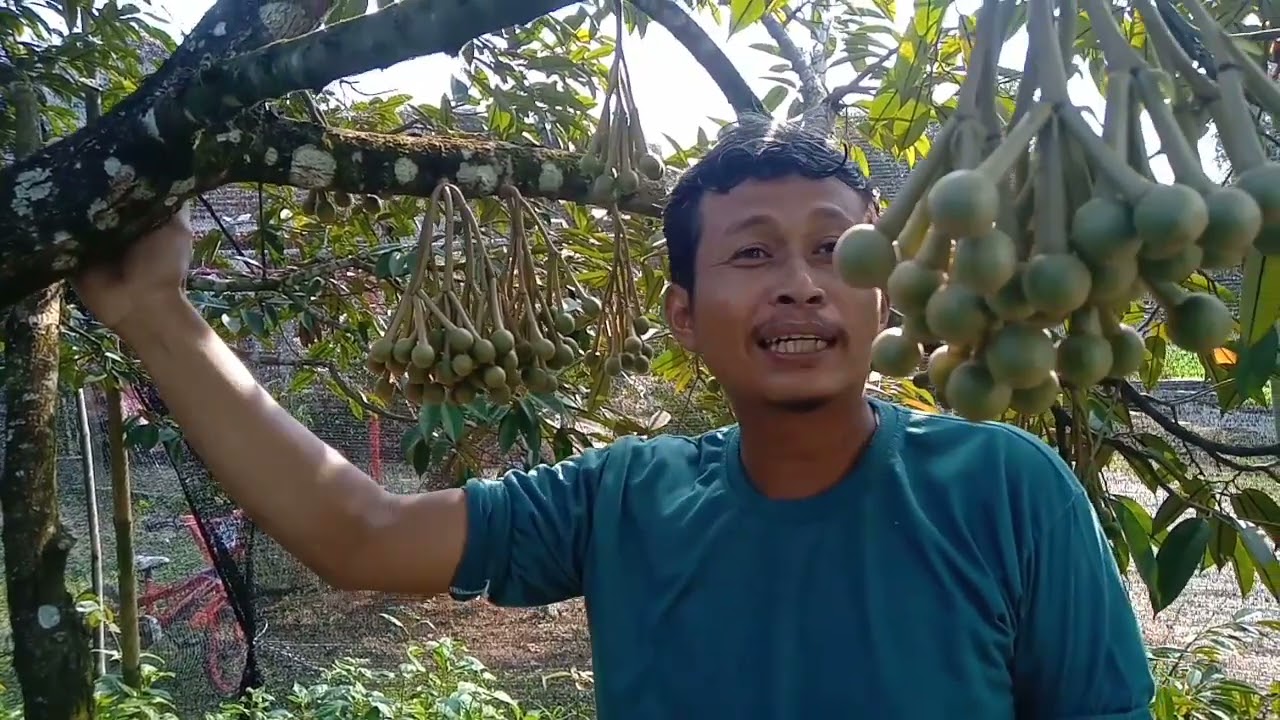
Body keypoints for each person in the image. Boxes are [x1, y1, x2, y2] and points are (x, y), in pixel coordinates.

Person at [74, 116, 1155, 718]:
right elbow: (358, 532)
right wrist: (155, 314)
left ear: (882, 292)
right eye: (751, 253)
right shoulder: (624, 496)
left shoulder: (1005, 488)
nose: (798, 284)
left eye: (833, 249)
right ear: (683, 316)